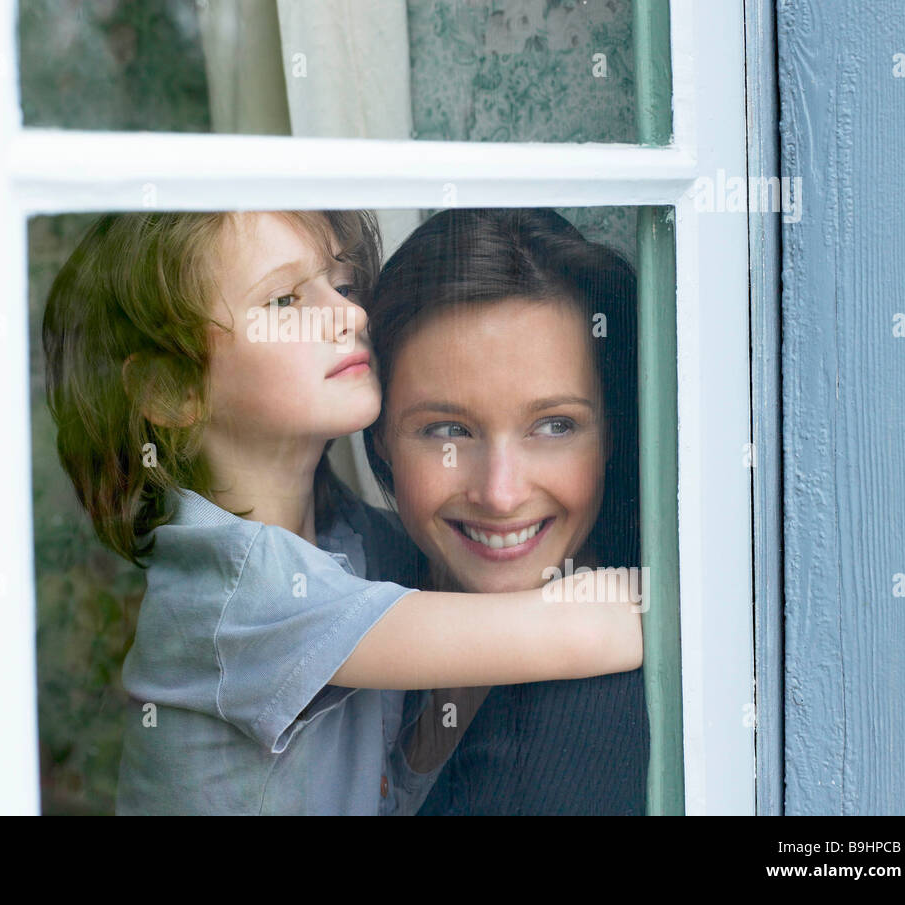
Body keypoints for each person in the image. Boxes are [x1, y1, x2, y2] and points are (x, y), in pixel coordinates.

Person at [42, 209, 643, 815]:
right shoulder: (234, 595)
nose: (351, 315)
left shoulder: (344, 540)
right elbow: (596, 627)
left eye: (345, 285)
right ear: (172, 391)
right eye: (283, 301)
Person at [362, 207, 649, 815]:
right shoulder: (358, 584)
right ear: (380, 434)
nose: (500, 493)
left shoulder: (579, 742)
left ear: (613, 435)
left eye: (554, 425)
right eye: (447, 429)